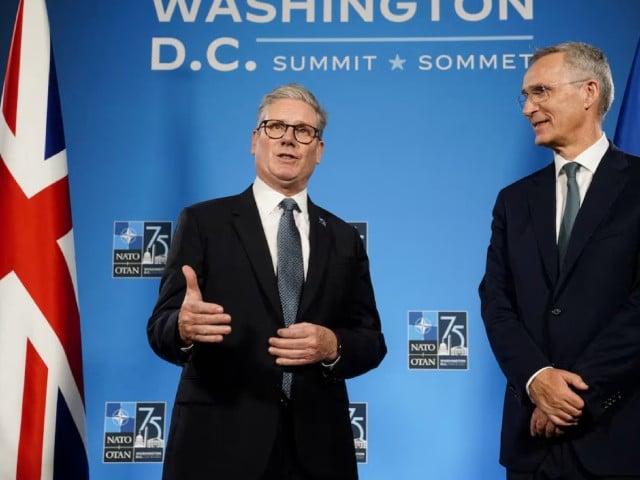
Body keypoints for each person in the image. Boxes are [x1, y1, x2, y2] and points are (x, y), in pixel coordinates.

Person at [147, 83, 387, 480]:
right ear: (255, 140)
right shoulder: (204, 223)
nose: (289, 139)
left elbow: (372, 340)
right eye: (276, 127)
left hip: (318, 452)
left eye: (304, 131)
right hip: (218, 448)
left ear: (319, 151)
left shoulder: (343, 238)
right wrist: (182, 328)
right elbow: (161, 328)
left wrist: (334, 345)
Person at [479, 42, 640, 479]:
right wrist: (537, 379)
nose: (528, 107)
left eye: (541, 92)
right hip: (531, 448)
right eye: (526, 96)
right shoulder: (513, 202)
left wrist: (570, 398)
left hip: (618, 436)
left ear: (589, 92)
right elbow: (496, 302)